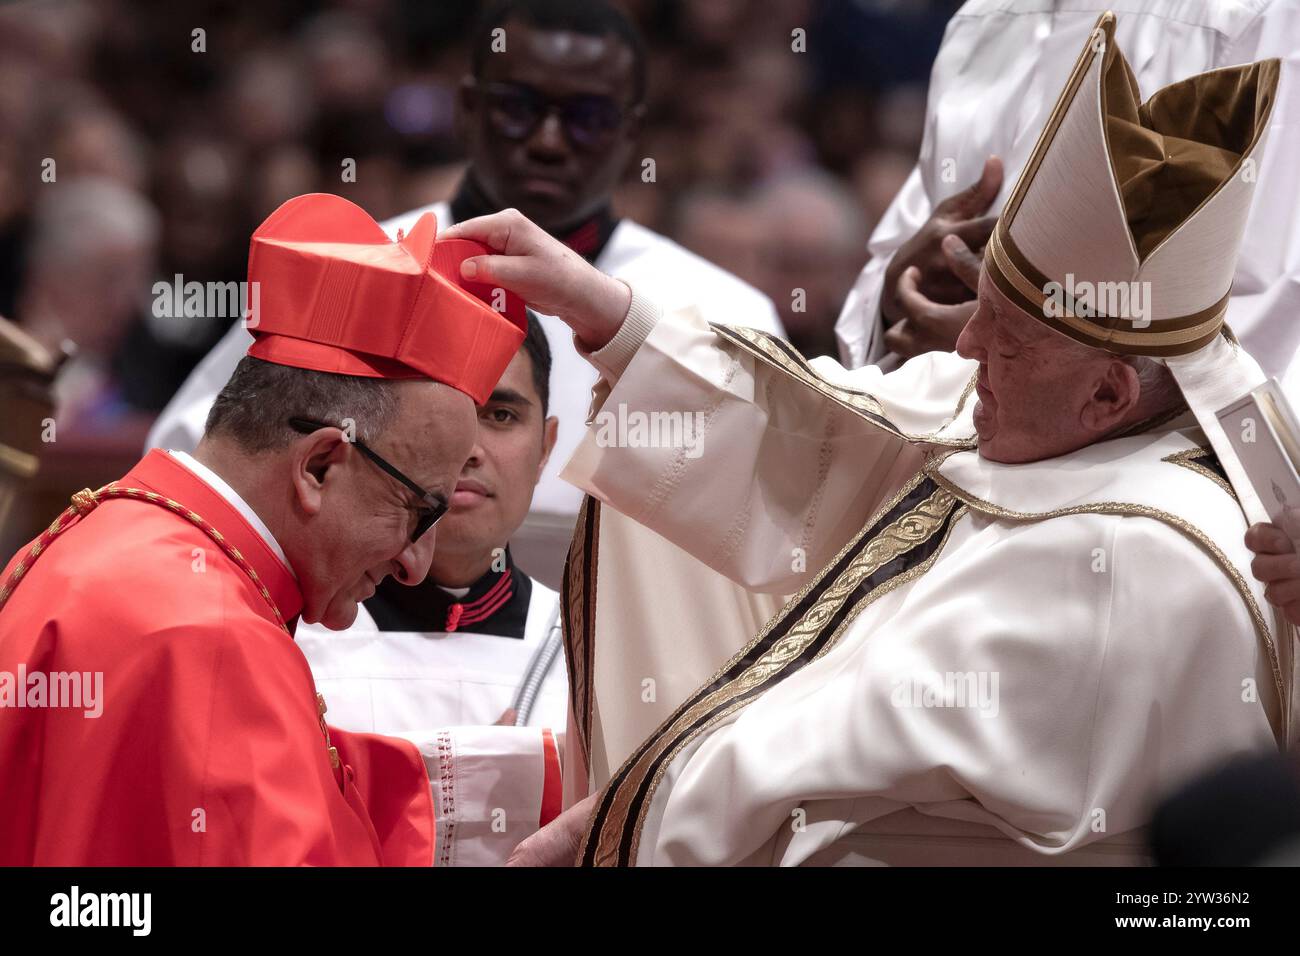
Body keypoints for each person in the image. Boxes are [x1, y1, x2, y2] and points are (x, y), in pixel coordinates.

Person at [441, 14, 1294, 865]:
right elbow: (848, 429)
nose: (961, 348)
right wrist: (611, 315)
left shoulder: (1127, 549)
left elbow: (802, 748)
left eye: (1001, 332)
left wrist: (622, 816)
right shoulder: (1094, 410)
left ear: (1107, 391)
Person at [0, 193, 527, 865]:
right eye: (421, 512)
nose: (415, 565)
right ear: (321, 464)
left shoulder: (117, 539)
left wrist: (510, 781)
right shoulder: (212, 636)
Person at [146, 0, 782, 539]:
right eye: (520, 107)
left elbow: (764, 527)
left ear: (630, 132)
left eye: (587, 117)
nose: (549, 140)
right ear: (469, 108)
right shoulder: (353, 263)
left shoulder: (721, 309)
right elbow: (198, 470)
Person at [835, 0, 1300, 394]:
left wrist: (1021, 349)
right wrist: (896, 296)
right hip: (934, 427)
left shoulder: (1259, 16)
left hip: (1121, 473)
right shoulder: (985, 13)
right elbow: (911, 237)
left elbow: (1266, 309)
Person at [294, 317, 568, 865]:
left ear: (546, 447)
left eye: (501, 415)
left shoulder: (591, 655)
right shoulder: (292, 640)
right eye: (444, 408)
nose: (468, 448)